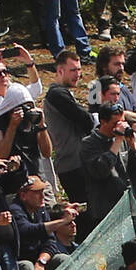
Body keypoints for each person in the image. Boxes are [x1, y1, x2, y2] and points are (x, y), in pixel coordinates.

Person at [42, 49, 97, 214]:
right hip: (72, 165)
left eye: (79, 69)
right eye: (73, 70)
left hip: (77, 162)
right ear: (60, 71)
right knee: (85, 214)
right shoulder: (57, 94)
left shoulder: (64, 93)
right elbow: (86, 120)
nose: (78, 74)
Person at [80, 103, 136, 218]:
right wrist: (117, 141)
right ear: (103, 122)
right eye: (116, 123)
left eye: (123, 121)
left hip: (131, 207)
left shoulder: (126, 138)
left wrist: (134, 148)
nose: (121, 126)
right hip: (107, 211)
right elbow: (99, 171)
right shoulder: (89, 144)